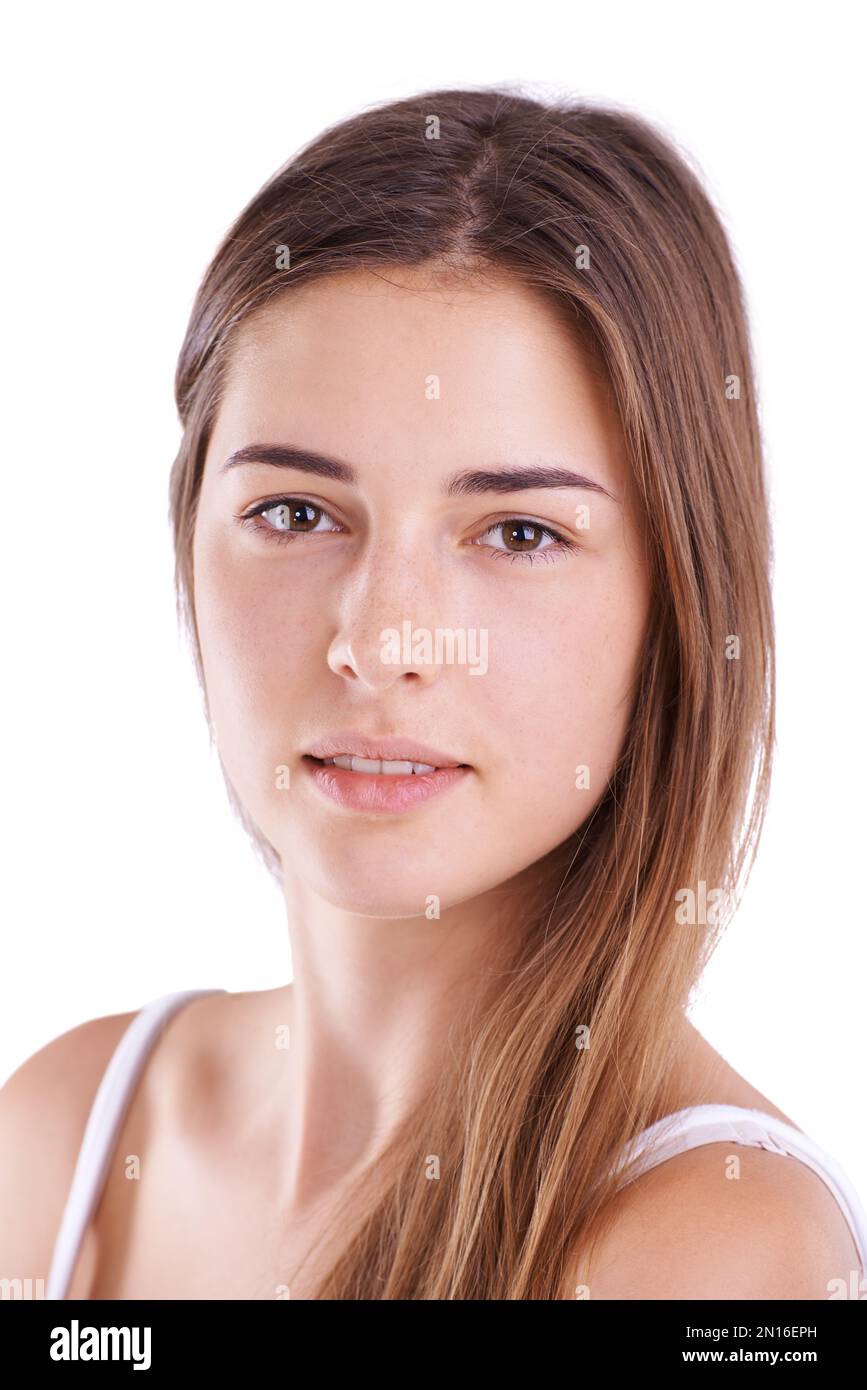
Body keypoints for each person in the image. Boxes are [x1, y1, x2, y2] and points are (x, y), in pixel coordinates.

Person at [3, 85, 865, 1301]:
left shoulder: (715, 1252)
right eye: (294, 513)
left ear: (679, 596)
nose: (382, 640)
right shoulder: (67, 1133)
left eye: (516, 533)